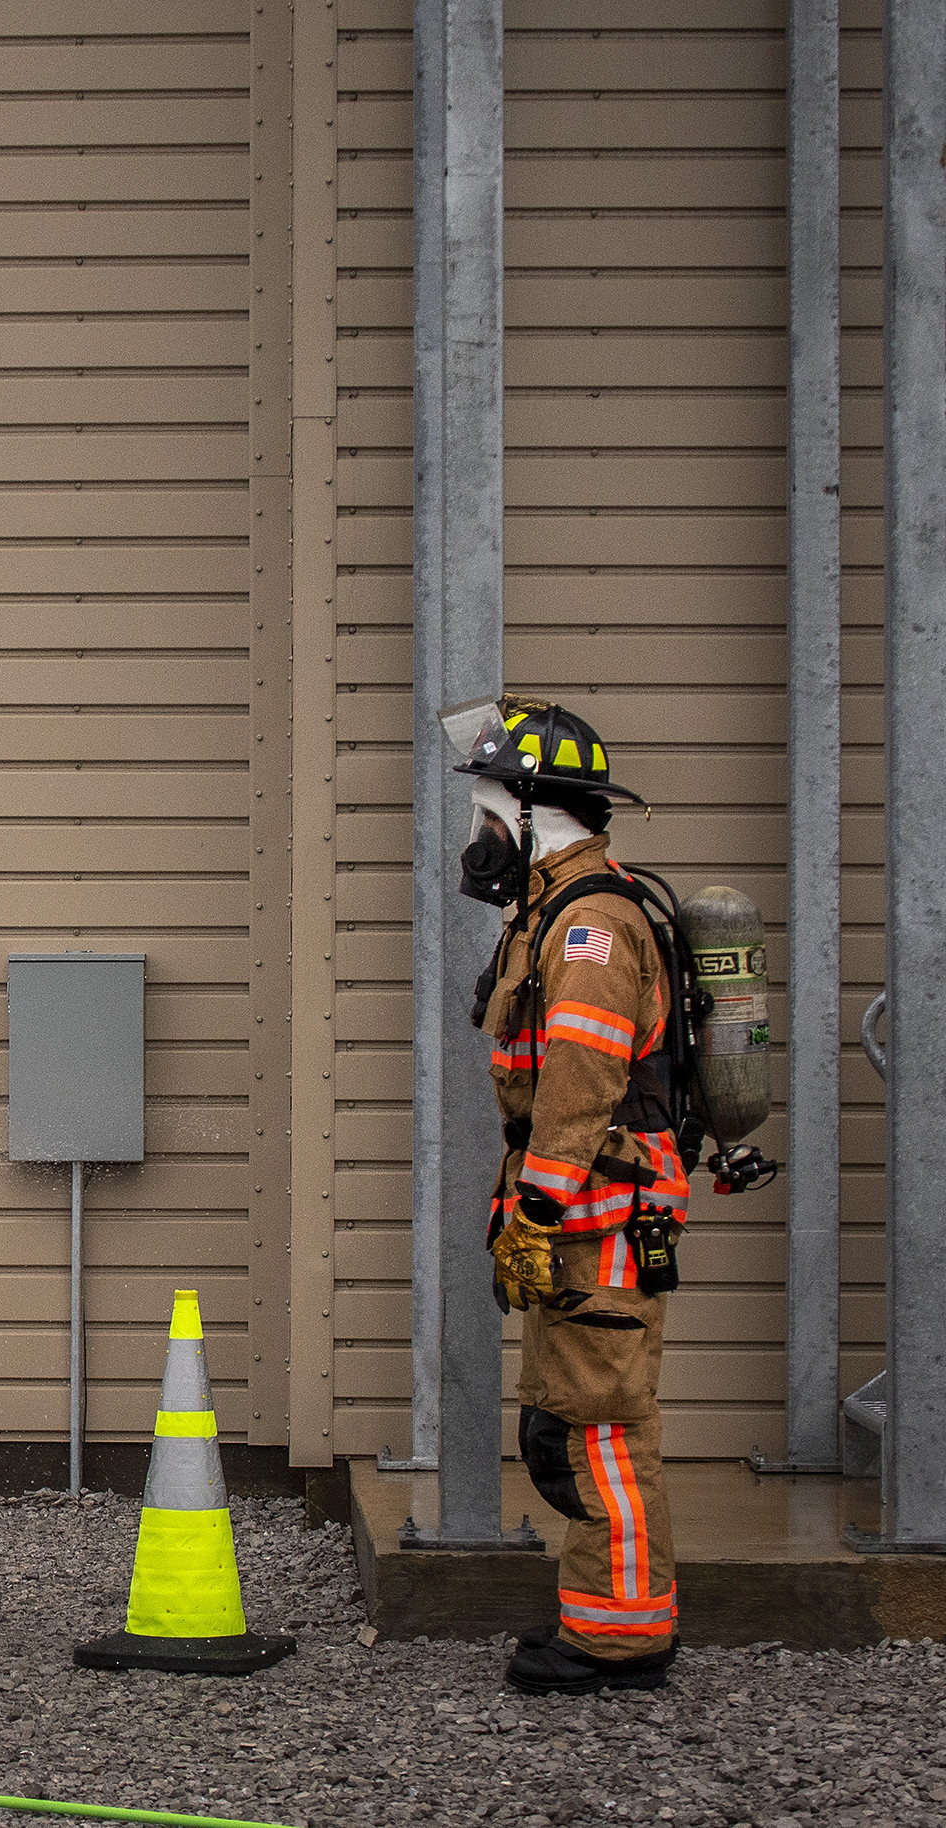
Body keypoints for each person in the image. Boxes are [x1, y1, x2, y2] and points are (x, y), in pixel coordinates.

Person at [449, 696, 685, 1695]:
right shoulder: (553, 911)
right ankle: (605, 1618)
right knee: (568, 1423)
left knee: (598, 1427)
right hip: (576, 1223)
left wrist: (537, 1212)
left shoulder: (589, 928)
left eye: (490, 810)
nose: (479, 835)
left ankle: (624, 1640)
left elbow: (581, 1090)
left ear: (534, 811)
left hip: (597, 1226)